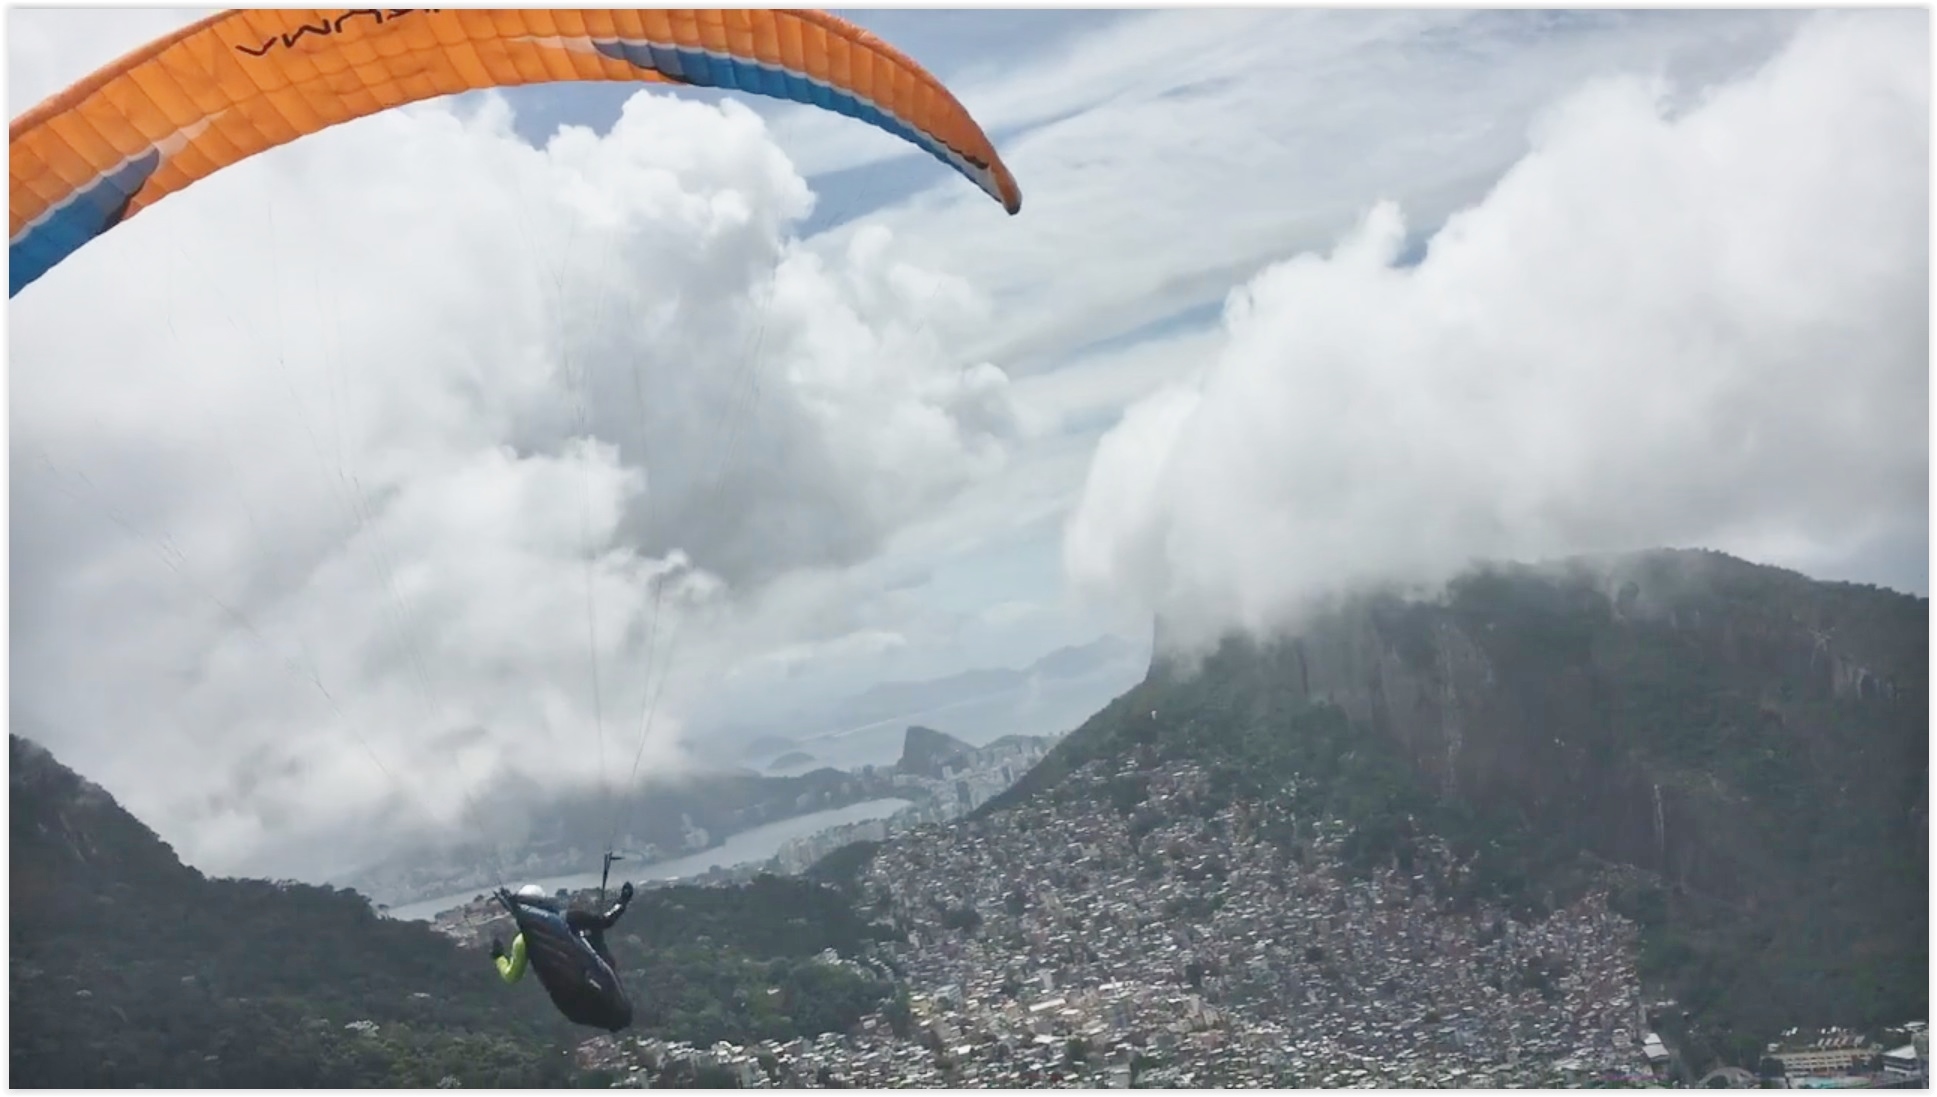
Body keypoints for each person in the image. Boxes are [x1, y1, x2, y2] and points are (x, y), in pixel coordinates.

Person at [492, 880, 635, 1032]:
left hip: (570, 1008)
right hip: (596, 991)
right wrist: (623, 901)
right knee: (621, 1014)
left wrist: (499, 957)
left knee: (596, 946)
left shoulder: (522, 942)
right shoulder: (568, 919)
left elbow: (511, 976)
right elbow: (606, 921)